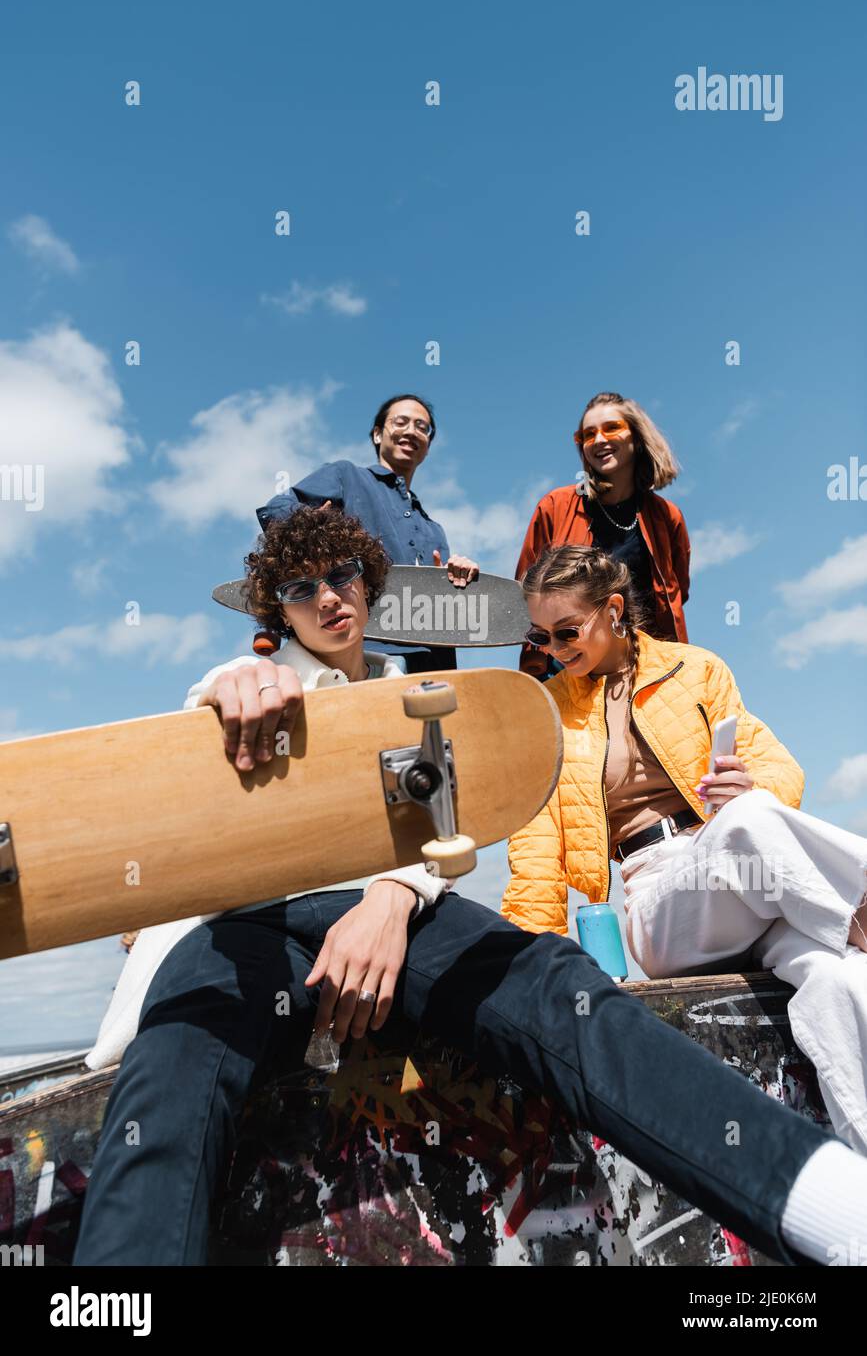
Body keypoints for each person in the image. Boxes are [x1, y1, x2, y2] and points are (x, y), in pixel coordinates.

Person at [72, 509, 867, 1269]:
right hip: (242, 928)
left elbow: (438, 834)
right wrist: (230, 687)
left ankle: (832, 1206)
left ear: (368, 584)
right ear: (277, 611)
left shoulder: (410, 699)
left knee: (562, 991)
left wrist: (387, 900)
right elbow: (210, 706)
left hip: (389, 907)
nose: (325, 598)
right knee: (174, 1057)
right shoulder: (254, 680)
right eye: (298, 589)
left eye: (341, 576)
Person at [501, 542, 867, 1161]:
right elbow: (535, 848)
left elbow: (781, 771)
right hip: (662, 901)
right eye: (543, 639)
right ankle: (857, 909)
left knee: (841, 979)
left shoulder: (696, 670)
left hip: (753, 878)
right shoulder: (548, 712)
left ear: (614, 610)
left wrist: (753, 783)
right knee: (749, 823)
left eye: (567, 633)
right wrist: (525, 972)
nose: (556, 653)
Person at [256, 393, 478, 672]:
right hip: (367, 651)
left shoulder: (435, 529)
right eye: (401, 422)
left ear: (428, 446)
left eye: (422, 427)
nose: (411, 431)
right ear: (377, 434)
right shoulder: (346, 476)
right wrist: (314, 527)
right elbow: (278, 508)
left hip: (432, 660)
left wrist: (457, 576)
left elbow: (445, 606)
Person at [515, 392, 691, 679]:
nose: (598, 440)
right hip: (566, 665)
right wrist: (537, 665)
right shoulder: (554, 506)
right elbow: (524, 591)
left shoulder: (667, 517)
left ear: (636, 435)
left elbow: (676, 593)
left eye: (611, 428)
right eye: (587, 434)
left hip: (645, 664)